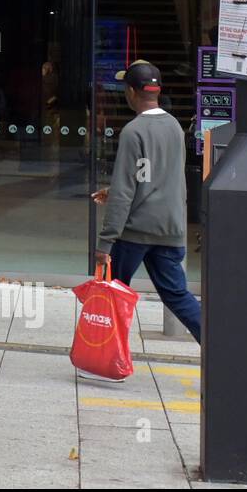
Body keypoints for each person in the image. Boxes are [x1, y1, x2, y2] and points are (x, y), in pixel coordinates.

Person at [92, 60, 201, 344]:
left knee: (115, 292)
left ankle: (109, 357)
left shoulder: (133, 131)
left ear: (130, 91)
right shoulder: (175, 127)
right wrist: (113, 189)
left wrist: (105, 243)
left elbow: (129, 188)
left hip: (135, 231)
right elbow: (159, 177)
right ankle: (221, 350)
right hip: (170, 229)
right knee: (177, 295)